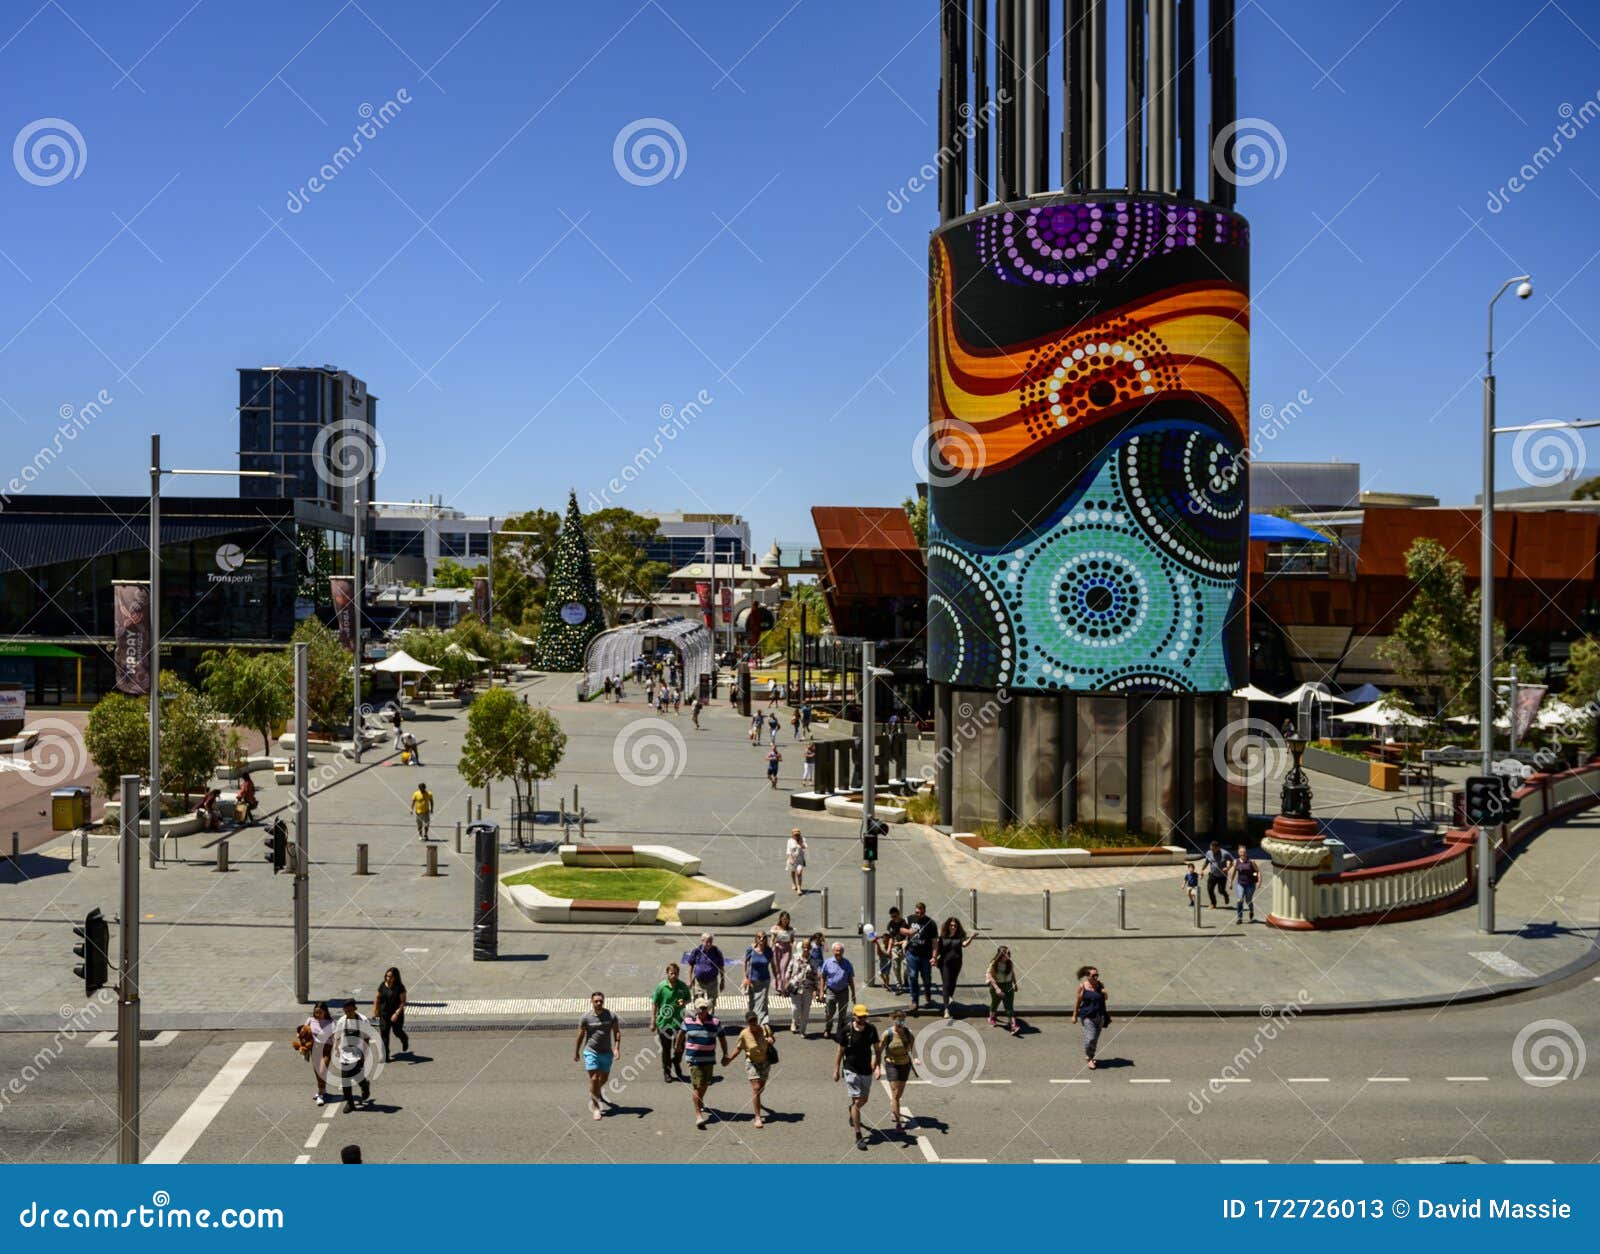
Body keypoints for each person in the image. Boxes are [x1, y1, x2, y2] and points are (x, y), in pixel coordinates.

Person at [676, 997, 730, 1129]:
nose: (702, 1010)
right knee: (697, 1086)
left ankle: (700, 1101)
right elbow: (681, 1034)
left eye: (704, 1008)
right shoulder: (689, 1021)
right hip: (694, 1059)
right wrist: (678, 1047)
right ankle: (698, 1115)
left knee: (705, 1084)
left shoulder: (715, 1022)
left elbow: (722, 1038)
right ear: (696, 1009)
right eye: (700, 1008)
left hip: (709, 1059)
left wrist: (725, 1054)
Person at [833, 1004, 880, 1151]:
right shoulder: (847, 1031)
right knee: (858, 1099)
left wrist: (876, 1065)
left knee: (863, 1100)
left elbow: (877, 1049)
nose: (863, 1019)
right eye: (860, 1017)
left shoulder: (871, 1029)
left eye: (865, 1016)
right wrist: (836, 1069)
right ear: (854, 1016)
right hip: (851, 1069)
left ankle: (853, 1110)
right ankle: (859, 1135)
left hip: (866, 1069)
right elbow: (840, 1051)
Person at [574, 991, 622, 1120]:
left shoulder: (611, 1016)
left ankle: (595, 1091)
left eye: (601, 1001)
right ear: (591, 1002)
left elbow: (617, 1032)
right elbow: (580, 1035)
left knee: (604, 1079)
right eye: (596, 1001)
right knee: (594, 1078)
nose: (599, 1003)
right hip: (591, 1051)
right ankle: (596, 1107)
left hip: (606, 1052)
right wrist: (577, 1051)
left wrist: (617, 1048)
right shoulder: (585, 1018)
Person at [724, 1011, 776, 1128]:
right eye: (750, 1021)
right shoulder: (744, 1034)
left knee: (761, 1087)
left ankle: (757, 1100)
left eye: (754, 1020)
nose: (753, 1023)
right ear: (747, 1022)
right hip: (752, 1063)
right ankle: (757, 1116)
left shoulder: (764, 1029)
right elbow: (738, 1049)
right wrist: (729, 1059)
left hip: (765, 1062)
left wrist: (771, 1040)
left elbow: (772, 1038)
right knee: (756, 1089)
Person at [880, 1010, 920, 1130]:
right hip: (891, 1064)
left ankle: (894, 1104)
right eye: (898, 1019)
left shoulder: (908, 1033)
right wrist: (876, 1064)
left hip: (905, 1064)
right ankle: (898, 1123)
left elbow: (913, 1047)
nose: (900, 1022)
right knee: (896, 1092)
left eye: (902, 1019)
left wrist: (916, 1058)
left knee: (899, 1093)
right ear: (893, 1019)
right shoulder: (888, 1034)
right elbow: (879, 1049)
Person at [651, 962, 691, 1082]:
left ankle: (676, 1061)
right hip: (664, 1023)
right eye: (671, 973)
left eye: (676, 973)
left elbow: (688, 999)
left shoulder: (682, 986)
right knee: (666, 1049)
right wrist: (653, 1020)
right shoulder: (661, 987)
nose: (674, 975)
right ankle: (667, 1072)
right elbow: (655, 1003)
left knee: (680, 1047)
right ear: (667, 974)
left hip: (678, 1022)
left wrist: (681, 1003)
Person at [933, 916, 977, 1017]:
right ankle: (946, 1009)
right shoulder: (942, 937)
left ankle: (949, 996)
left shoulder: (960, 937)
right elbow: (938, 950)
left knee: (953, 983)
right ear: (948, 926)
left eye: (955, 926)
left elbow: (965, 944)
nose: (953, 927)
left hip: (957, 963)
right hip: (945, 964)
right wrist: (934, 958)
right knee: (946, 984)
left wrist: (972, 937)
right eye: (951, 925)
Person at [334, 999, 373, 1112]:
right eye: (346, 1011)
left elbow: (366, 1039)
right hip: (345, 1054)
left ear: (355, 1008)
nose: (348, 1013)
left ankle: (365, 1086)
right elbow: (337, 1036)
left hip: (358, 1053)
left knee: (357, 1076)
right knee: (345, 1080)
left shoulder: (363, 1020)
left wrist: (364, 1055)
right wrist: (336, 1048)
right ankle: (350, 1103)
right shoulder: (342, 1021)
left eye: (350, 1011)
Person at [903, 901, 938, 1014]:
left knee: (926, 978)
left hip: (925, 956)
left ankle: (927, 992)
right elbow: (901, 929)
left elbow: (934, 942)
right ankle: (915, 1001)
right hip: (912, 953)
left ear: (924, 912)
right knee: (912, 976)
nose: (918, 915)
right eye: (917, 912)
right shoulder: (910, 919)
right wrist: (908, 931)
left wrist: (934, 956)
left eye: (921, 913)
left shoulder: (931, 923)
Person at [300, 1001, 337, 1106]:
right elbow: (302, 1032)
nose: (318, 1015)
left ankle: (320, 1095)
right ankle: (322, 1089)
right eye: (316, 1012)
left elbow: (335, 1037)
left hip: (326, 1050)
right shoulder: (310, 1020)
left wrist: (337, 1048)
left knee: (321, 1070)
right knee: (317, 1072)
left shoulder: (331, 1023)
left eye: (320, 1012)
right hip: (314, 1049)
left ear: (325, 1012)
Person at [1072, 965, 1109, 1068]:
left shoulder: (1100, 985)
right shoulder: (1082, 987)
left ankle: (1090, 1055)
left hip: (1100, 1016)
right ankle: (1090, 1058)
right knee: (1090, 1038)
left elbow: (1105, 998)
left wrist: (1105, 993)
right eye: (1094, 975)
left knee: (1094, 1039)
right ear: (1087, 976)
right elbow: (1078, 1002)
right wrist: (1074, 1015)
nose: (1096, 977)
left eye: (1097, 975)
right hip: (1087, 1016)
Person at [372, 966, 409, 1061]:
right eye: (387, 976)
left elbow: (403, 1002)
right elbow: (377, 998)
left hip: (396, 1015)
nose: (388, 978)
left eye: (390, 977)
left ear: (395, 977)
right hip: (384, 1014)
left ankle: (404, 1039)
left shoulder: (400, 987)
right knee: (384, 1034)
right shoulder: (382, 985)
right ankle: (385, 1055)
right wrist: (375, 1010)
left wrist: (396, 1013)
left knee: (397, 1031)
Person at [821, 942, 856, 1037]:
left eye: (840, 951)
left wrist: (853, 993)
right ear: (833, 951)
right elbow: (823, 977)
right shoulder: (827, 962)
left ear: (843, 952)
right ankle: (828, 1029)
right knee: (829, 1012)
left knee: (842, 1013)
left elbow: (850, 979)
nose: (838, 952)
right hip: (831, 990)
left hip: (844, 991)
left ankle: (839, 1031)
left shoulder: (847, 964)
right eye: (836, 950)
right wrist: (821, 991)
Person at [786, 939, 819, 1035]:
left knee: (806, 1010)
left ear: (810, 948)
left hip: (808, 987)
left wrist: (816, 989)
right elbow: (789, 969)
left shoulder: (813, 960)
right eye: (804, 947)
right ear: (801, 947)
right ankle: (794, 1021)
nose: (806, 949)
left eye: (808, 947)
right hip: (795, 986)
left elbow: (816, 975)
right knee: (796, 1008)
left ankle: (803, 1030)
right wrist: (786, 980)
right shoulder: (795, 957)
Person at [986, 945, 1021, 1035]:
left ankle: (1013, 1026)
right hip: (997, 985)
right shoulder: (994, 963)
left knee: (1009, 1006)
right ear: (1000, 955)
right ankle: (992, 1018)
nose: (1007, 957)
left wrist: (1015, 984)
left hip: (1008, 985)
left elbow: (1012, 973)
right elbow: (989, 976)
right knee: (995, 1002)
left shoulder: (1010, 963)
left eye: (1008, 954)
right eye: (1005, 955)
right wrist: (997, 988)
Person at [685, 933, 726, 1010]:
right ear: (702, 941)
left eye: (711, 941)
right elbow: (691, 964)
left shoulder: (716, 951)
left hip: (712, 982)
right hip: (699, 982)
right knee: (698, 1003)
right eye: (707, 941)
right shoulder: (696, 951)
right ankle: (699, 1019)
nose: (709, 943)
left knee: (711, 1003)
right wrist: (689, 980)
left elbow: (721, 967)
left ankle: (710, 1019)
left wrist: (722, 981)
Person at [743, 930, 774, 1025]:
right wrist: (745, 977)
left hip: (764, 980)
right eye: (759, 937)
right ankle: (752, 1021)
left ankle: (762, 1023)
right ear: (756, 939)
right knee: (752, 1002)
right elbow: (745, 962)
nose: (762, 939)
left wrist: (777, 978)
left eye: (764, 937)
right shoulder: (750, 950)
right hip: (752, 980)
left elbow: (773, 965)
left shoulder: (768, 951)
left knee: (762, 1002)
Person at [876, 906, 907, 993]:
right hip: (895, 947)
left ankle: (906, 978)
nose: (893, 918)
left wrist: (900, 943)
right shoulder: (890, 923)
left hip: (904, 945)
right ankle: (899, 985)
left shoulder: (904, 923)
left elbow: (909, 937)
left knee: (906, 966)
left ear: (899, 914)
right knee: (896, 966)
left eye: (895, 916)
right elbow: (889, 937)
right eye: (892, 917)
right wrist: (889, 947)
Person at [1231, 845, 1260, 922]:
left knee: (1248, 900)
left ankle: (1251, 910)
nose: (1242, 854)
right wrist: (1230, 882)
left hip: (1250, 885)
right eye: (1241, 852)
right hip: (1240, 884)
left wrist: (1259, 882)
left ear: (1246, 853)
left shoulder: (1251, 862)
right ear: (1238, 853)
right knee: (1240, 900)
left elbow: (1258, 871)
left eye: (1244, 852)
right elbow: (1233, 872)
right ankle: (1239, 917)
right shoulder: (1236, 861)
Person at [769, 911, 795, 996]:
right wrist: (771, 948)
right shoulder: (775, 928)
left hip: (787, 950)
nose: (785, 921)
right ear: (780, 919)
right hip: (777, 949)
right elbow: (772, 940)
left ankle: (783, 988)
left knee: (783, 968)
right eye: (783, 919)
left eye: (787, 919)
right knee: (778, 970)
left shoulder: (790, 929)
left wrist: (794, 944)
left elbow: (792, 939)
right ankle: (779, 986)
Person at [1202, 840, 1234, 908]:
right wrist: (1202, 870)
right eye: (1211, 849)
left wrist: (1227, 868)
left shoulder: (1225, 853)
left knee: (1221, 890)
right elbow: (1206, 862)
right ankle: (1213, 903)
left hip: (1222, 876)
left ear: (1218, 848)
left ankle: (1225, 895)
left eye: (1213, 849)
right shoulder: (1209, 853)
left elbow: (1232, 861)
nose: (1212, 851)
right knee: (1210, 889)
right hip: (1212, 874)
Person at [785, 829, 807, 895]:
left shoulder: (803, 839)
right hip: (792, 859)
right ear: (792, 835)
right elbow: (788, 850)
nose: (796, 836)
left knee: (799, 872)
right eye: (795, 835)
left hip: (800, 860)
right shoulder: (790, 841)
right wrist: (790, 858)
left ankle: (799, 888)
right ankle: (794, 883)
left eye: (798, 834)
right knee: (793, 871)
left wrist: (800, 843)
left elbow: (805, 847)